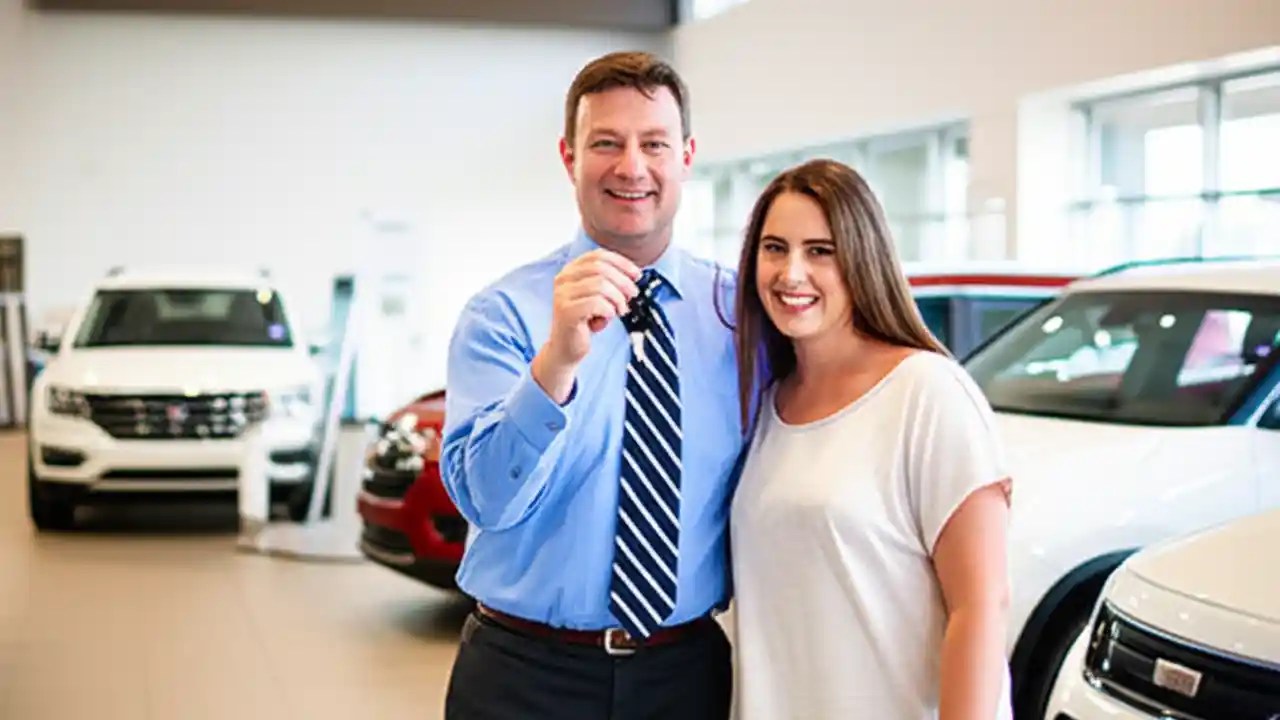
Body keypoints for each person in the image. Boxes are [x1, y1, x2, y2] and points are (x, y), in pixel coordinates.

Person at [439, 50, 741, 720]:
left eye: (653, 143)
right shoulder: (503, 314)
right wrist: (557, 363)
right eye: (605, 142)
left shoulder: (737, 316)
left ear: (687, 155)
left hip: (684, 674)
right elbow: (485, 500)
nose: (631, 167)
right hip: (524, 675)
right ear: (569, 157)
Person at [728, 159, 1014, 719]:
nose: (791, 273)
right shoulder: (767, 403)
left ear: (862, 257)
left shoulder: (927, 392)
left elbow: (981, 607)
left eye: (820, 251)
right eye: (774, 248)